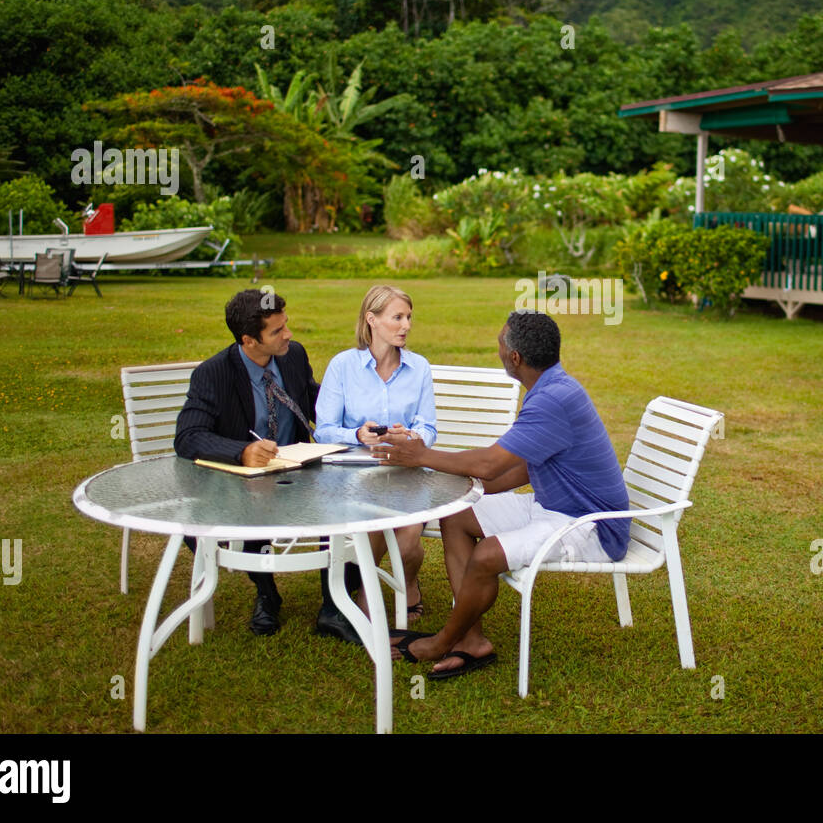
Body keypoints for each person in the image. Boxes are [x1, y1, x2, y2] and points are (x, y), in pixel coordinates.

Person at [372, 310, 631, 678]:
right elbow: (523, 468)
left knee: (487, 554)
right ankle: (472, 640)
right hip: (553, 506)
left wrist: (421, 456)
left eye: (499, 343)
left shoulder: (552, 399)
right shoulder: (552, 387)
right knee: (456, 514)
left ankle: (443, 639)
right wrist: (470, 491)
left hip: (590, 525)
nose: (497, 348)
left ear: (515, 358)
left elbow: (492, 463)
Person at [173, 288, 361, 642]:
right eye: (277, 331)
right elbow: (187, 437)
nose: (288, 335)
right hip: (249, 481)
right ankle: (266, 591)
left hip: (305, 470)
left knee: (351, 506)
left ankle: (334, 606)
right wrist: (242, 451)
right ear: (248, 340)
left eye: (286, 325)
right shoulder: (213, 374)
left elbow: (313, 398)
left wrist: (358, 420)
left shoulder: (293, 356)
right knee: (201, 524)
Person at [316, 285, 436, 623]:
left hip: (406, 471)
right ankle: (369, 591)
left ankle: (407, 582)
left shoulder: (419, 368)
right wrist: (357, 434)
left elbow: (428, 427)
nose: (406, 325)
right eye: (397, 317)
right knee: (374, 524)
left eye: (408, 317)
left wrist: (410, 437)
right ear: (372, 320)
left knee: (409, 538)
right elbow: (323, 429)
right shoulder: (342, 366)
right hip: (356, 475)